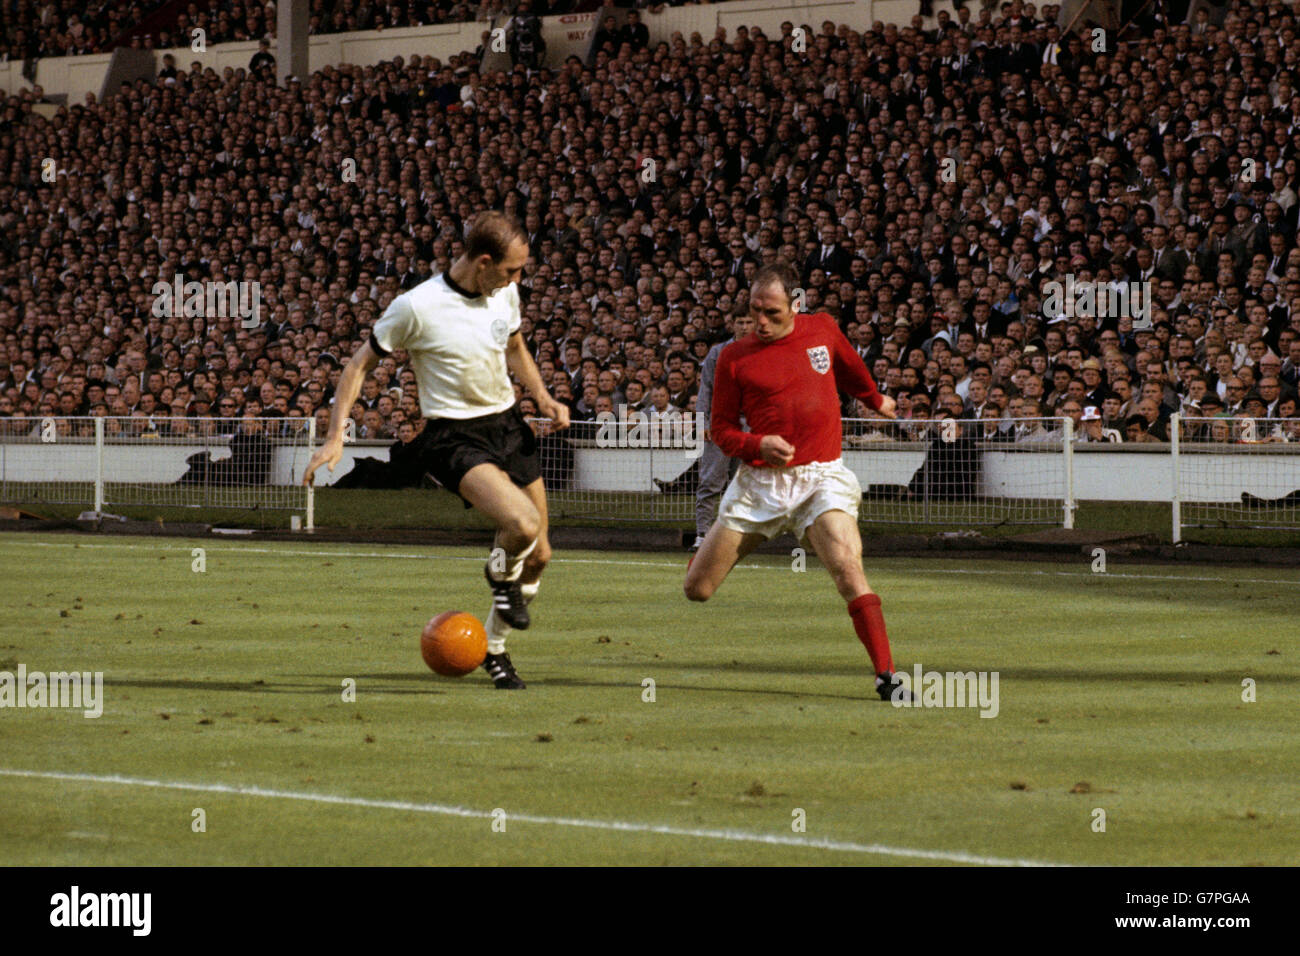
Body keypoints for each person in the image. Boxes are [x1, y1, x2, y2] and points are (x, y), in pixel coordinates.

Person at [303, 211, 570, 689]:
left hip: (507, 425)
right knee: (521, 524)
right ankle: (496, 575)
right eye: (511, 270)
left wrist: (543, 396)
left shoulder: (502, 292)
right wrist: (335, 434)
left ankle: (494, 647)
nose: (517, 280)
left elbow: (515, 347)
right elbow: (357, 367)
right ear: (483, 262)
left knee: (540, 554)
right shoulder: (417, 306)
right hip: (454, 436)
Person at [682, 262, 911, 702]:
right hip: (759, 483)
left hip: (820, 477)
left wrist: (874, 397)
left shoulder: (822, 329)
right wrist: (757, 445)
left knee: (847, 569)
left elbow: (849, 368)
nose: (761, 322)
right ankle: (704, 555)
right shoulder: (733, 357)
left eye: (771, 312)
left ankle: (888, 677)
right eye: (754, 312)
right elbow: (721, 431)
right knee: (697, 590)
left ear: (796, 304)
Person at [692, 312, 756, 549]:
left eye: (749, 321)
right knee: (710, 481)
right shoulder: (717, 352)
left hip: (751, 425)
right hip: (720, 423)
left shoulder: (763, 350)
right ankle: (702, 534)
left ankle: (737, 533)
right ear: (733, 324)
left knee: (743, 482)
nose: (745, 326)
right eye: (741, 321)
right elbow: (705, 389)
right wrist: (703, 423)